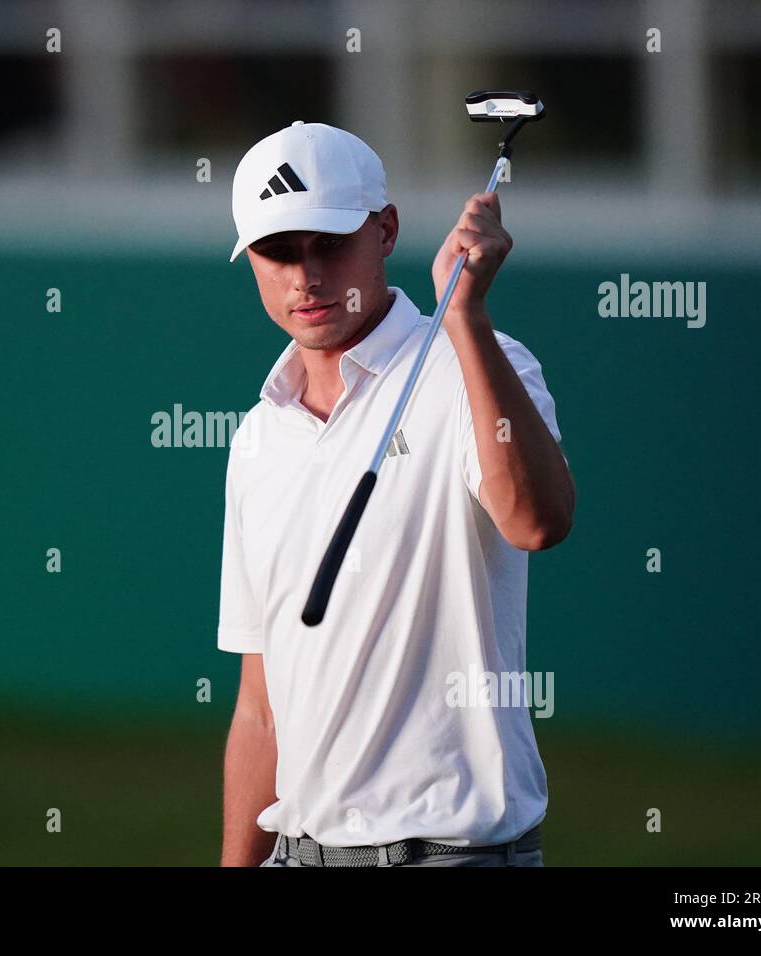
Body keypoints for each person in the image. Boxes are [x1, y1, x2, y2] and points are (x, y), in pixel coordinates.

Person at [217, 121, 575, 867]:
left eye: (329, 244)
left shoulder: (480, 365)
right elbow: (259, 709)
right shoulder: (257, 435)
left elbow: (538, 520)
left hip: (450, 854)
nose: (304, 277)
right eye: (278, 252)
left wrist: (468, 317)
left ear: (385, 232)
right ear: (250, 257)